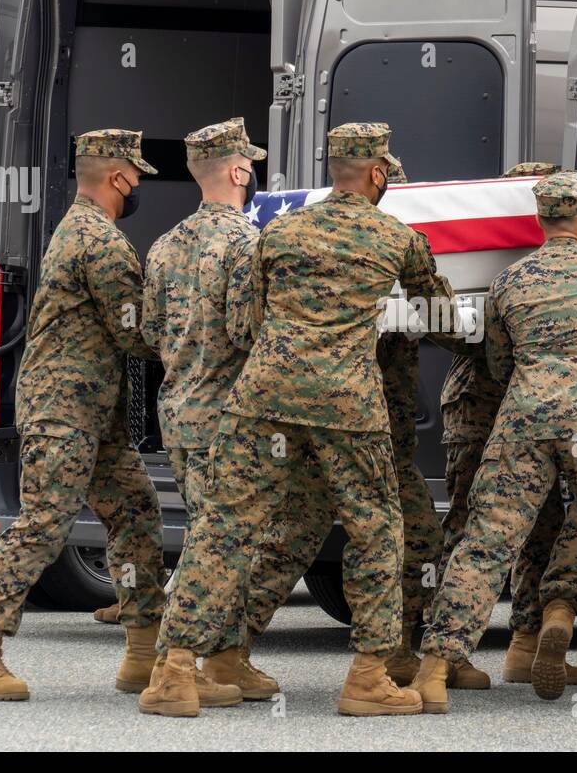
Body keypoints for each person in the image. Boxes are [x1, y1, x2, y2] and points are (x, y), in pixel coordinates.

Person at [141, 123, 458, 717]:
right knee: (375, 532)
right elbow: (440, 318)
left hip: (261, 398)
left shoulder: (276, 232)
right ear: (378, 174)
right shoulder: (398, 236)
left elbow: (247, 320)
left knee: (223, 529)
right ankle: (369, 677)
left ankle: (175, 671)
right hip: (347, 405)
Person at [413, 172, 577, 714]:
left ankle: (434, 672)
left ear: (538, 220)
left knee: (485, 545)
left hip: (524, 423)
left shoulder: (508, 281)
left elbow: (499, 363)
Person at [0, 129, 166, 700]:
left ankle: (143, 653)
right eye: (136, 175)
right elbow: (137, 333)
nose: (138, 185)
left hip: (94, 415)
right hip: (65, 411)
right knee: (45, 522)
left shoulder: (76, 228)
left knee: (137, 514)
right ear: (119, 177)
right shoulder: (101, 241)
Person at [431, 161, 577, 690]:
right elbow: (451, 330)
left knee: (542, 527)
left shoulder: (531, 267)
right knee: (471, 527)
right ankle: (443, 654)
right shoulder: (499, 261)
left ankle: (525, 644)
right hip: (484, 405)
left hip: (525, 411)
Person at [139, 118, 271, 708]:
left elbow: (149, 333)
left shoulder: (165, 244)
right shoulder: (247, 243)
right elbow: (249, 331)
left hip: (180, 412)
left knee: (212, 533)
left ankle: (225, 658)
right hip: (229, 416)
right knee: (222, 542)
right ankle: (174, 667)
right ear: (239, 171)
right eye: (252, 165)